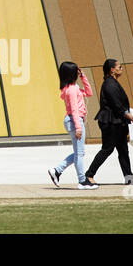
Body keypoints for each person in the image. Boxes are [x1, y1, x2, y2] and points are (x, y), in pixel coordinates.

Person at [85, 58, 133, 186]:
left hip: (118, 122)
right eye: (119, 67)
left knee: (123, 150)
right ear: (112, 70)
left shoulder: (113, 83)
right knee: (107, 149)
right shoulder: (110, 85)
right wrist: (132, 118)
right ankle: (89, 175)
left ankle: (129, 177)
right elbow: (118, 106)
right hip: (110, 122)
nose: (121, 69)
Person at [48, 61, 97, 189]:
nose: (78, 72)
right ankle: (82, 181)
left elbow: (89, 93)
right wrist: (79, 127)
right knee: (80, 154)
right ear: (71, 73)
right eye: (76, 71)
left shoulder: (71, 88)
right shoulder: (72, 90)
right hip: (75, 120)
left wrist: (83, 77)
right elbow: (74, 109)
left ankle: (57, 170)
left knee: (78, 153)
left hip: (74, 120)